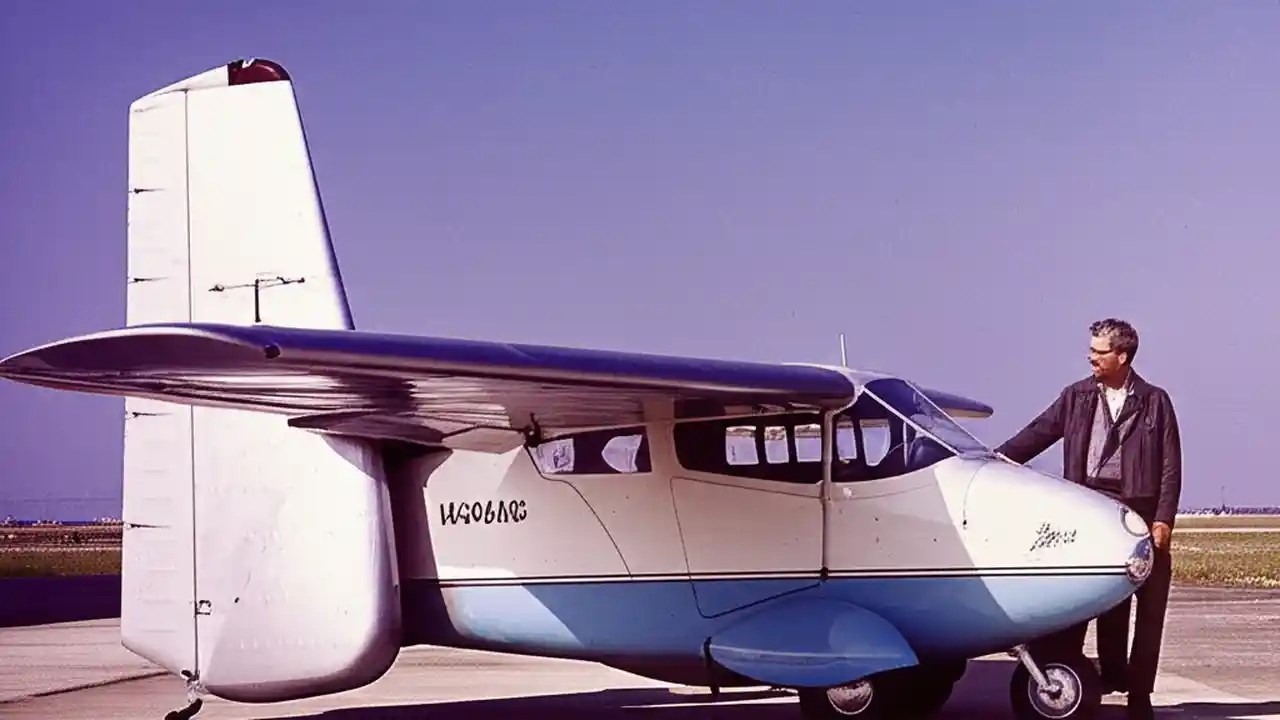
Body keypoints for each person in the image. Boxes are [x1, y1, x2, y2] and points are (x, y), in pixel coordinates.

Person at [996, 318, 1181, 720]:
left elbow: (1170, 464)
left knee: (1149, 613)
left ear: (1122, 356)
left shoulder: (1155, 401)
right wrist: (993, 463)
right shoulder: (1075, 397)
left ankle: (1139, 695)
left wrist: (1164, 518)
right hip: (1090, 514)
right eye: (1092, 350)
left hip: (1142, 516)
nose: (1090, 357)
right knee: (1082, 603)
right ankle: (1077, 678)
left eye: (1099, 351)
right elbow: (1037, 433)